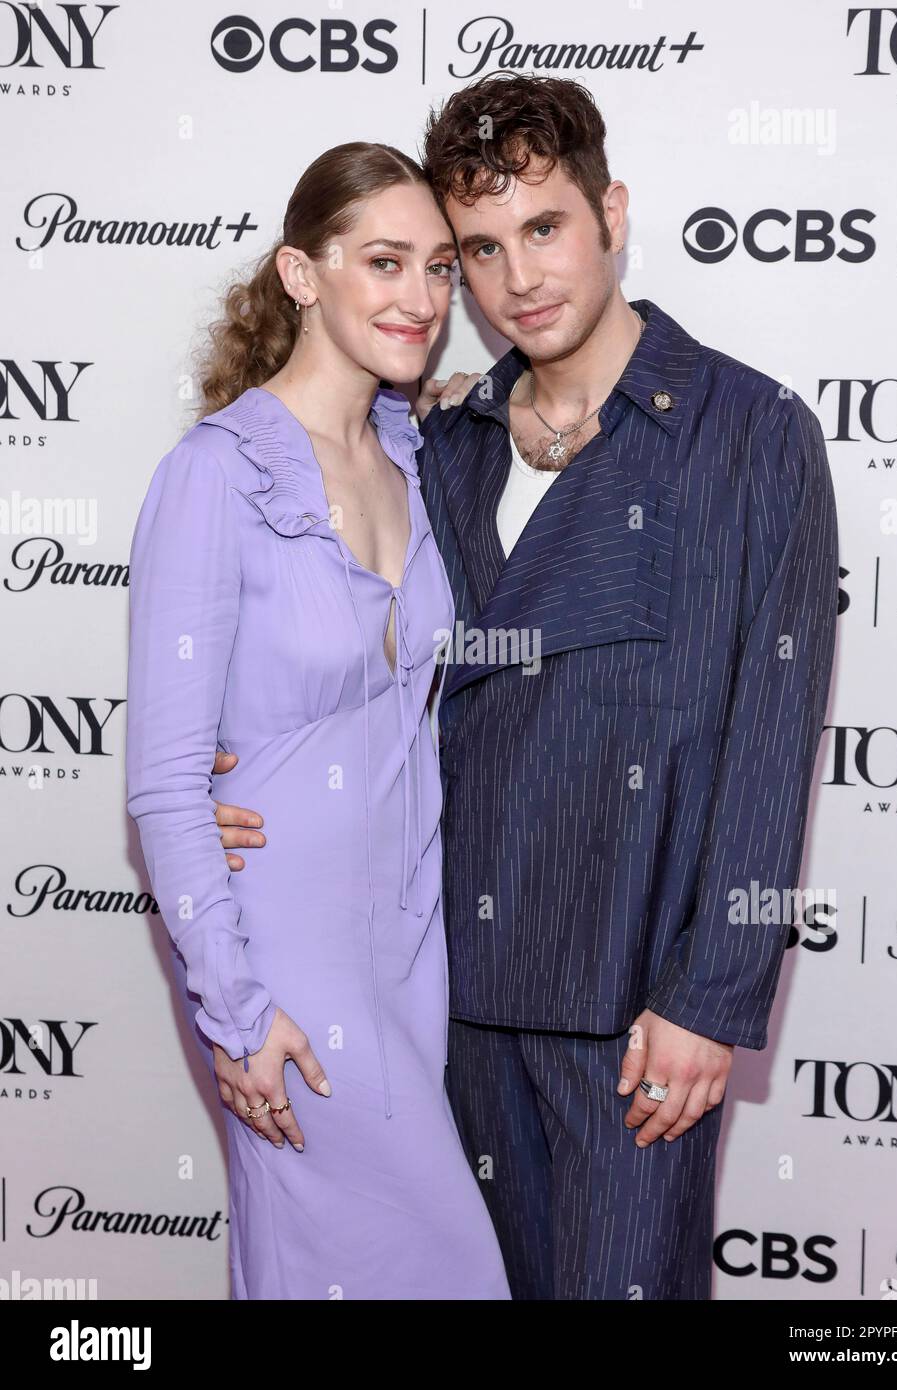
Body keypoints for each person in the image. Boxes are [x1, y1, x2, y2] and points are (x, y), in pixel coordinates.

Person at [213, 74, 840, 1300]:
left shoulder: (746, 433)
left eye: (544, 229)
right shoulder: (438, 440)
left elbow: (772, 732)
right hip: (434, 996)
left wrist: (709, 996)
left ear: (611, 212)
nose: (516, 281)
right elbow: (353, 669)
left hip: (630, 1018)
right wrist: (244, 788)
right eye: (480, 252)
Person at [125, 142, 511, 1301]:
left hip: (407, 945)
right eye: (383, 262)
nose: (421, 299)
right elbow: (162, 784)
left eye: (440, 268)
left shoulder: (416, 453)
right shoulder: (215, 477)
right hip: (280, 963)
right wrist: (236, 1015)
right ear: (302, 274)